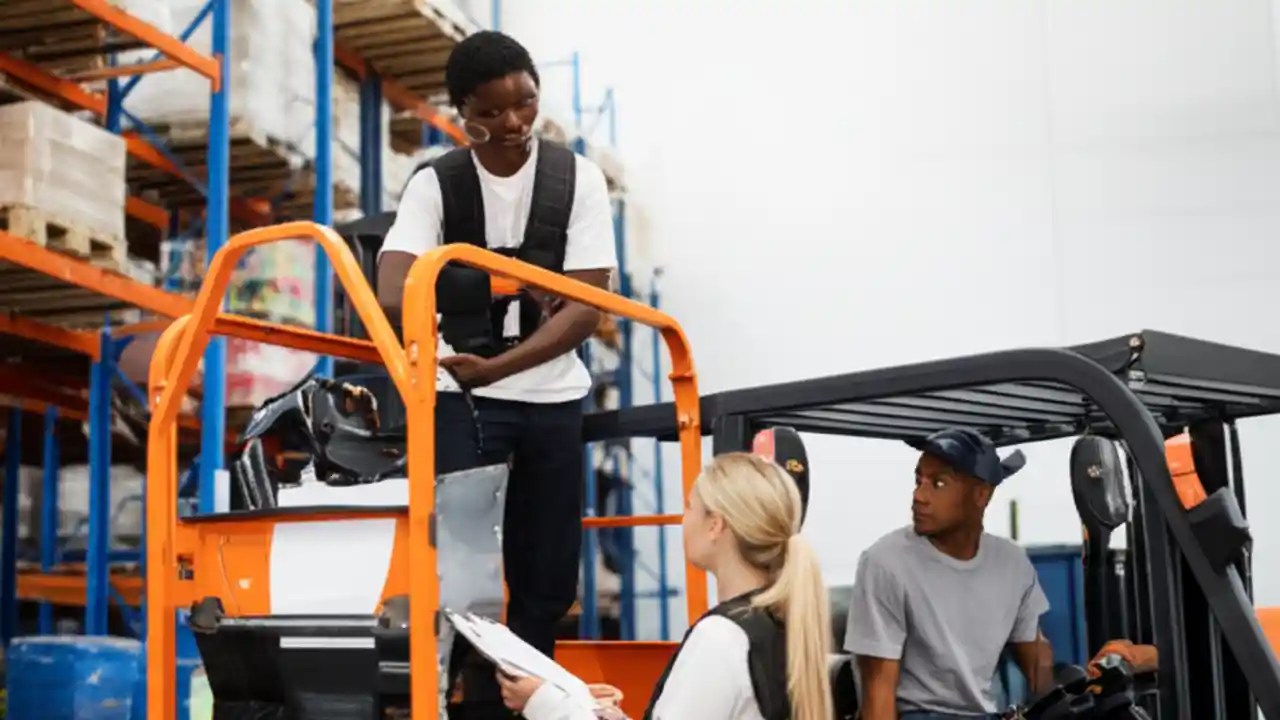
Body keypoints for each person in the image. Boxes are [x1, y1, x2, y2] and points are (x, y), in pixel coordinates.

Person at [375, 29, 618, 718]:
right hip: (462, 401)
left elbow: (586, 311)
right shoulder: (436, 183)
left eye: (527, 104)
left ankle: (518, 705)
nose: (514, 123)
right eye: (495, 111)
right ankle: (460, 701)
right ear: (463, 114)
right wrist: (481, 273)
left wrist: (497, 367)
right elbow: (394, 289)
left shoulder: (580, 179)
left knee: (545, 578)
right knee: (464, 575)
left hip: (549, 401)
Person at [495, 453, 834, 720]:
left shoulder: (721, 637)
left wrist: (543, 702)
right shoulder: (781, 622)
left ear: (716, 525)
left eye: (690, 507)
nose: (684, 519)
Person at [845, 427, 1054, 720]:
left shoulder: (1012, 563)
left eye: (938, 483)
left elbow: (1036, 660)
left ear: (981, 495)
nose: (919, 496)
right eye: (919, 481)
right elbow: (878, 692)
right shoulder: (886, 562)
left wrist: (1066, 698)